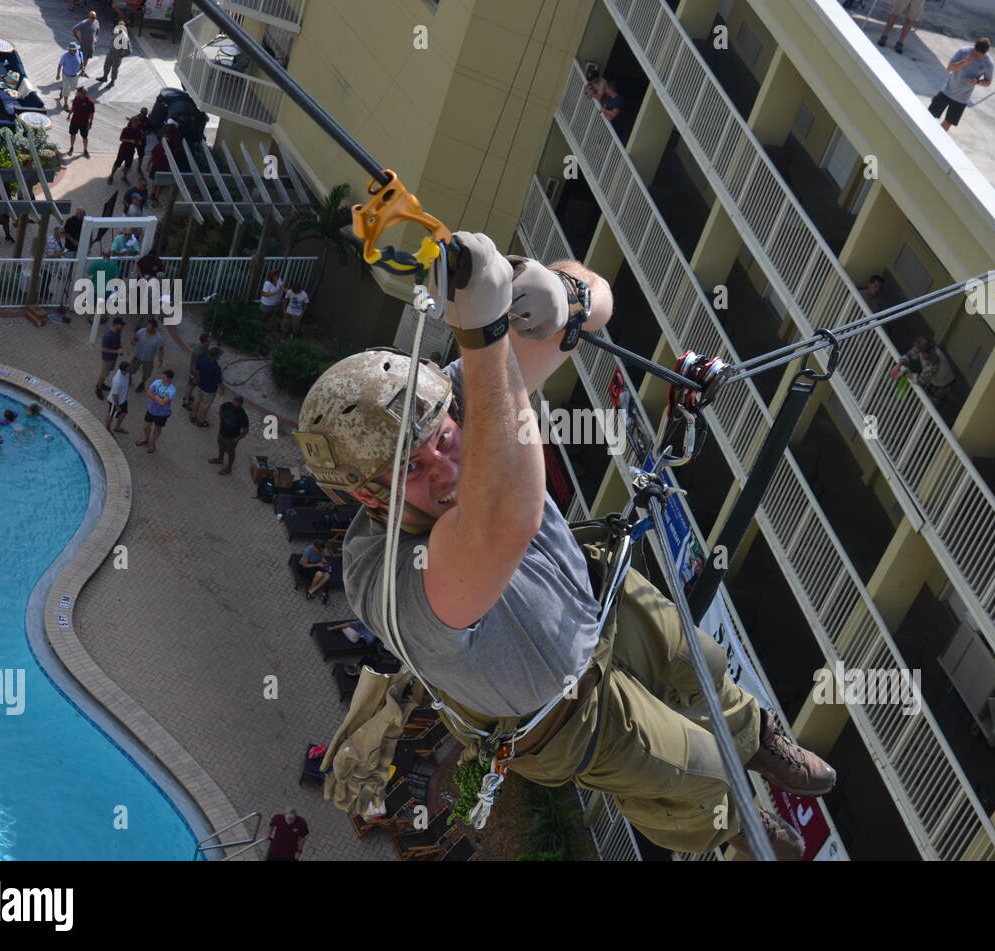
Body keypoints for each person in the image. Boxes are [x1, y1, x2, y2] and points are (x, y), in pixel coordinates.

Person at [294, 231, 835, 860]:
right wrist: (485, 336)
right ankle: (735, 826)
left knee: (699, 663)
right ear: (368, 499)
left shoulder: (447, 396)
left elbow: (598, 304)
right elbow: (503, 520)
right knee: (705, 775)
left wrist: (549, 292)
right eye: (414, 470)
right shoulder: (382, 582)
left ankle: (762, 740)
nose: (447, 469)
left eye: (444, 438)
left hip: (589, 598)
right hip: (564, 715)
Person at [928, 38, 993, 132]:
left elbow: (988, 82)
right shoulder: (963, 51)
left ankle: (934, 137)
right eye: (976, 52)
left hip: (962, 99)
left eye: (980, 54)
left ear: (985, 52)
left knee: (948, 122)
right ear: (974, 47)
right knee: (929, 115)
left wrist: (977, 81)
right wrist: (964, 62)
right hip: (947, 91)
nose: (977, 55)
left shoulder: (988, 63)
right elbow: (949, 68)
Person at [893, 336, 956, 404]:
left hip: (944, 385)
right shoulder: (922, 348)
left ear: (925, 352)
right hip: (932, 378)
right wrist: (898, 365)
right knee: (922, 394)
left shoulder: (933, 362)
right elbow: (910, 355)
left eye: (920, 351)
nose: (918, 352)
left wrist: (903, 373)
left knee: (929, 402)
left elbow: (920, 380)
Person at [137, 369, 176, 454]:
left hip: (162, 414)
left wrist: (154, 396)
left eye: (164, 377)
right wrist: (158, 398)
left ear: (169, 379)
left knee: (157, 428)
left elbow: (163, 403)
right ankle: (146, 438)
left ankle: (152, 443)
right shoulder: (157, 382)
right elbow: (148, 392)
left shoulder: (172, 390)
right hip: (151, 409)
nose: (162, 377)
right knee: (146, 426)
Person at [208, 394, 249, 475]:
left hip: (231, 438)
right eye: (235, 402)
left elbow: (246, 430)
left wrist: (237, 438)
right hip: (222, 433)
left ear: (241, 404)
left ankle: (229, 467)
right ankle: (220, 459)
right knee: (221, 447)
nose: (235, 404)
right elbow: (221, 409)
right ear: (233, 401)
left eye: (237, 403)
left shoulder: (242, 415)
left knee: (231, 453)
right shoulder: (227, 405)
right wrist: (220, 420)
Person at [190, 347, 224, 427]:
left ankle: (193, 416)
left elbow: (196, 369)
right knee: (205, 405)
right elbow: (218, 382)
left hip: (199, 385)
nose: (219, 357)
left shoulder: (202, 360)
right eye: (219, 356)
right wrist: (222, 390)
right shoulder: (216, 368)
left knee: (196, 401)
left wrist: (196, 378)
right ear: (216, 356)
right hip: (209, 390)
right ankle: (201, 421)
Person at [95, 317, 125, 399]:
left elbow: (118, 342)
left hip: (113, 358)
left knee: (106, 373)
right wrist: (117, 352)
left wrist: (120, 348)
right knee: (104, 374)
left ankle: (102, 384)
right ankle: (98, 388)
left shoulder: (119, 331)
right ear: (116, 325)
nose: (122, 326)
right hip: (107, 358)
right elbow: (104, 349)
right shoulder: (108, 335)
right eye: (121, 325)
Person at [131, 318, 165, 391]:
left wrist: (160, 361)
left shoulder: (159, 338)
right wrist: (133, 341)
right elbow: (135, 338)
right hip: (138, 355)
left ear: (154, 328)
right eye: (147, 325)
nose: (147, 327)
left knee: (146, 374)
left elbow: (161, 350)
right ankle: (129, 378)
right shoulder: (141, 331)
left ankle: (142, 383)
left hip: (149, 359)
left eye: (149, 326)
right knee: (131, 369)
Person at [108, 118, 143, 185]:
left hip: (131, 151)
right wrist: (130, 141)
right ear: (132, 123)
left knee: (128, 165)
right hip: (123, 150)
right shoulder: (125, 129)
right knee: (117, 163)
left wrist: (139, 141)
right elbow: (121, 139)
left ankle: (124, 177)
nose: (136, 125)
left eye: (137, 124)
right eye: (135, 123)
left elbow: (138, 138)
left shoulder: (138, 131)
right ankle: (111, 176)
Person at [55, 42, 88, 111]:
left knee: (73, 88)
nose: (75, 51)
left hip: (75, 75)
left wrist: (83, 70)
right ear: (69, 50)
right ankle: (65, 104)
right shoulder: (65, 56)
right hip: (66, 75)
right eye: (73, 50)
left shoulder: (79, 53)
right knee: (67, 90)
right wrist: (58, 74)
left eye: (76, 49)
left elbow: (82, 63)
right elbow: (60, 65)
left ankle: (63, 90)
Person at [183, 332, 212, 409]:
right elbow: (194, 364)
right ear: (204, 341)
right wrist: (196, 375)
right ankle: (186, 401)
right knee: (191, 385)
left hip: (199, 371)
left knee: (192, 385)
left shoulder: (204, 348)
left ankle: (187, 397)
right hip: (196, 372)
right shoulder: (198, 351)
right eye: (208, 341)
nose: (210, 342)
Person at [66, 87, 95, 158]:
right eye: (78, 92)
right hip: (74, 121)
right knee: (72, 134)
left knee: (85, 137)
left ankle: (85, 150)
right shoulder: (76, 98)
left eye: (79, 92)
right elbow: (73, 107)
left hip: (84, 123)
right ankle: (71, 147)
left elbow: (91, 113)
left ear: (83, 93)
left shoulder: (90, 102)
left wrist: (90, 123)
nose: (78, 93)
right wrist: (69, 115)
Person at [101, 21, 130, 88]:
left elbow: (129, 51)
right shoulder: (116, 33)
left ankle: (112, 82)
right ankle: (105, 77)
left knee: (114, 69)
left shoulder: (125, 38)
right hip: (111, 53)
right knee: (106, 65)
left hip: (117, 56)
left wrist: (121, 55)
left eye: (121, 27)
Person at [105, 361, 131, 435]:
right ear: (123, 370)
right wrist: (117, 406)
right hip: (115, 401)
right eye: (128, 370)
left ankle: (117, 427)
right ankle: (107, 429)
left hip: (123, 399)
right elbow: (115, 395)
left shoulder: (126, 373)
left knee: (124, 413)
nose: (129, 371)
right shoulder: (118, 381)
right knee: (111, 414)